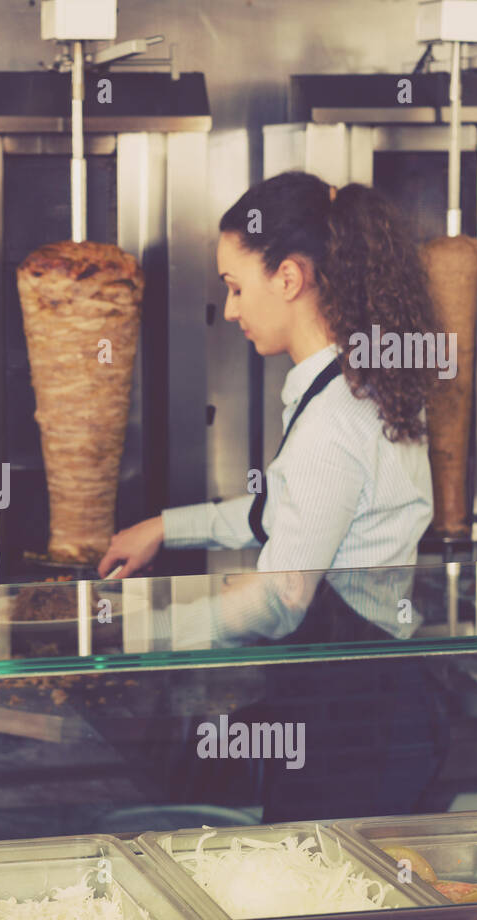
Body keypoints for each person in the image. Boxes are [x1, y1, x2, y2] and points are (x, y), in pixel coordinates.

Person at [98, 170, 447, 821]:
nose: (228, 309)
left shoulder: (335, 420)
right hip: (366, 703)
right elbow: (283, 510)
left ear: (289, 278)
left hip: (357, 723)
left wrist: (146, 637)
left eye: (235, 286)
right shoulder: (353, 385)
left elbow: (284, 599)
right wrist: (165, 528)